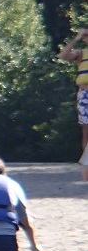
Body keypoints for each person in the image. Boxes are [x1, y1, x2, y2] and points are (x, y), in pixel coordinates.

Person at [56, 27, 88, 179]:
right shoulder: (81, 53)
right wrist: (76, 38)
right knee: (86, 129)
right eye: (85, 36)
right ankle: (86, 162)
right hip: (85, 93)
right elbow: (62, 55)